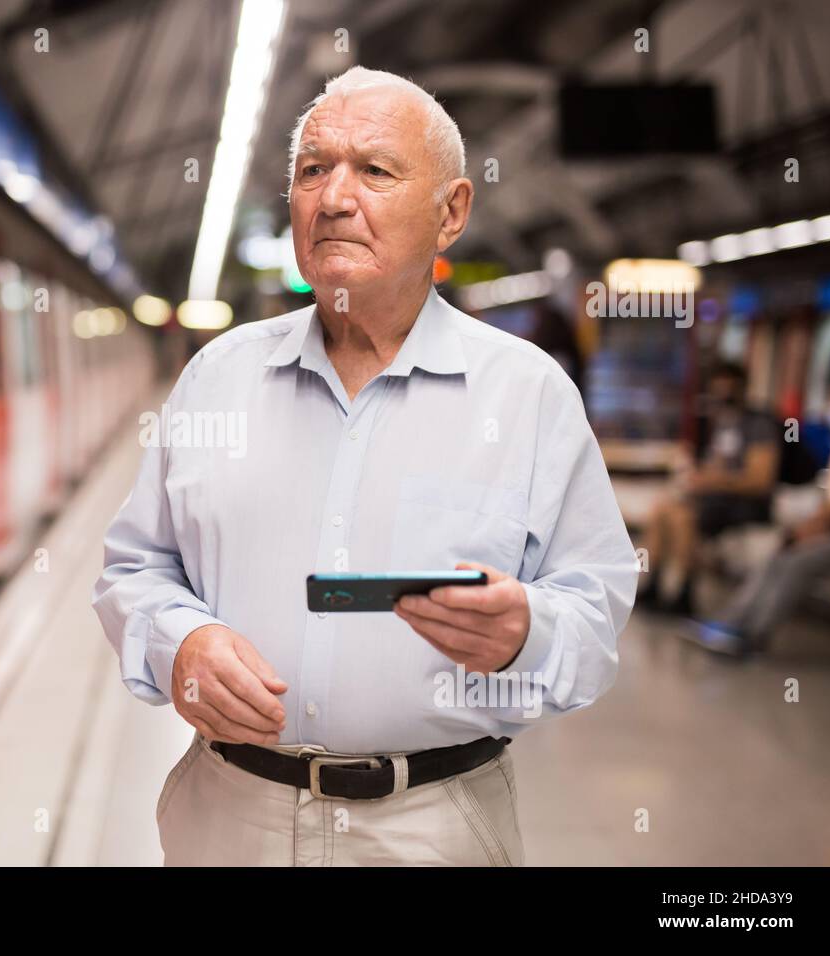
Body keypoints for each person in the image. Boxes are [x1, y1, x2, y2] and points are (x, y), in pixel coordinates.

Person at [92, 66, 637, 866]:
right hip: (228, 813)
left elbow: (595, 614)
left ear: (451, 212)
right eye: (313, 169)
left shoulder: (527, 396)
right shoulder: (218, 378)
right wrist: (178, 645)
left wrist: (528, 633)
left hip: (433, 823)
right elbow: (135, 567)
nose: (334, 198)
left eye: (375, 171)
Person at [687, 376, 830, 655]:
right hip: (828, 527)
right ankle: (730, 624)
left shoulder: (758, 426)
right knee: (778, 554)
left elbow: (760, 480)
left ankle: (753, 637)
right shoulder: (727, 426)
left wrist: (818, 525)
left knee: (795, 563)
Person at [637, 362, 780, 614]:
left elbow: (760, 480)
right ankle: (653, 584)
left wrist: (712, 480)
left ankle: (684, 592)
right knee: (661, 509)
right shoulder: (721, 424)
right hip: (715, 501)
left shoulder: (760, 424)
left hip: (746, 505)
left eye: (727, 392)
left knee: (683, 517)